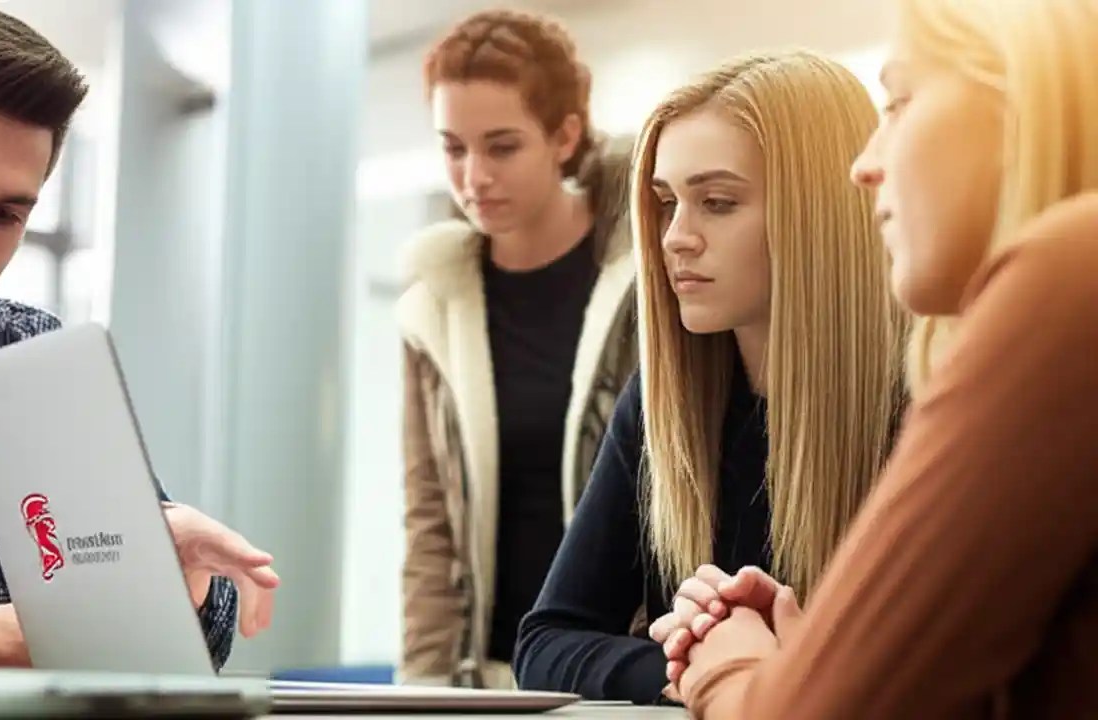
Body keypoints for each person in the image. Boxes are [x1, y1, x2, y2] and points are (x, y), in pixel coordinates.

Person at [664, 1, 1098, 718]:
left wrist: (724, 659)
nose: (865, 166)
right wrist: (831, 652)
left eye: (898, 102)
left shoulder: (1070, 275)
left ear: (1022, 95)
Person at [0, 0, 278, 669]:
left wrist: (171, 579)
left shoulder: (32, 361)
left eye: (5, 213)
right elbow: (62, 641)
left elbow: (181, 653)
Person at [513, 49, 908, 704]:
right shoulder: (657, 407)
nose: (675, 237)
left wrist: (766, 664)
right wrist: (691, 662)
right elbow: (548, 640)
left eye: (717, 202)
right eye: (667, 202)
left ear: (818, 214)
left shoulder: (924, 405)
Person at [396, 9, 638, 689]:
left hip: (618, 670)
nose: (474, 177)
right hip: (491, 679)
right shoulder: (432, 308)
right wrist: (420, 693)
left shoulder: (647, 286)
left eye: (501, 147)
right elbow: (429, 531)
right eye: (453, 148)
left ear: (564, 136)